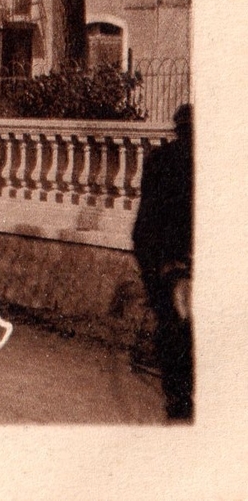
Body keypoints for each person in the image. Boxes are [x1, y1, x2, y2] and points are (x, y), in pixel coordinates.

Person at [133, 103, 194, 421]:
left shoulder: (165, 157)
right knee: (175, 323)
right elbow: (154, 217)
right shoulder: (166, 160)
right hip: (162, 252)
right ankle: (178, 399)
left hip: (172, 251)